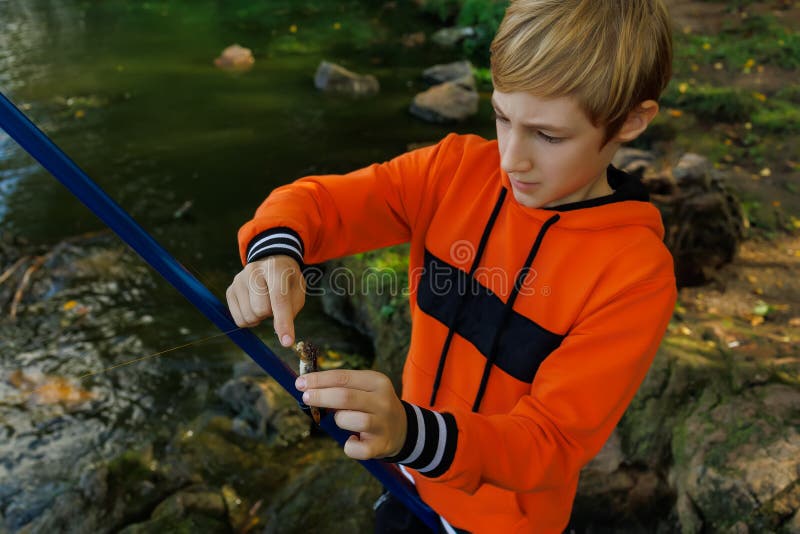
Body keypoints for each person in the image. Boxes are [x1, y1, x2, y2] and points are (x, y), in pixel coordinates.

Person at [226, 0, 676, 532]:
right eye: (503, 117)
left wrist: (411, 432)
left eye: (548, 135)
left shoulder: (634, 276)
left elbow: (550, 443)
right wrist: (274, 252)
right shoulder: (454, 171)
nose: (511, 158)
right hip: (408, 480)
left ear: (630, 122)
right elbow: (322, 203)